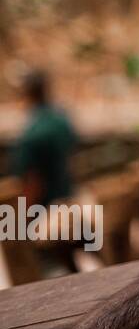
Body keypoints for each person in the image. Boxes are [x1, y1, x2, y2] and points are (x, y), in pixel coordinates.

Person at [6, 70, 79, 275]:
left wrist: (22, 223)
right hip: (70, 200)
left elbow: (33, 184)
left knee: (30, 254)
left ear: (27, 95)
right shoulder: (61, 120)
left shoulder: (32, 133)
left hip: (47, 212)